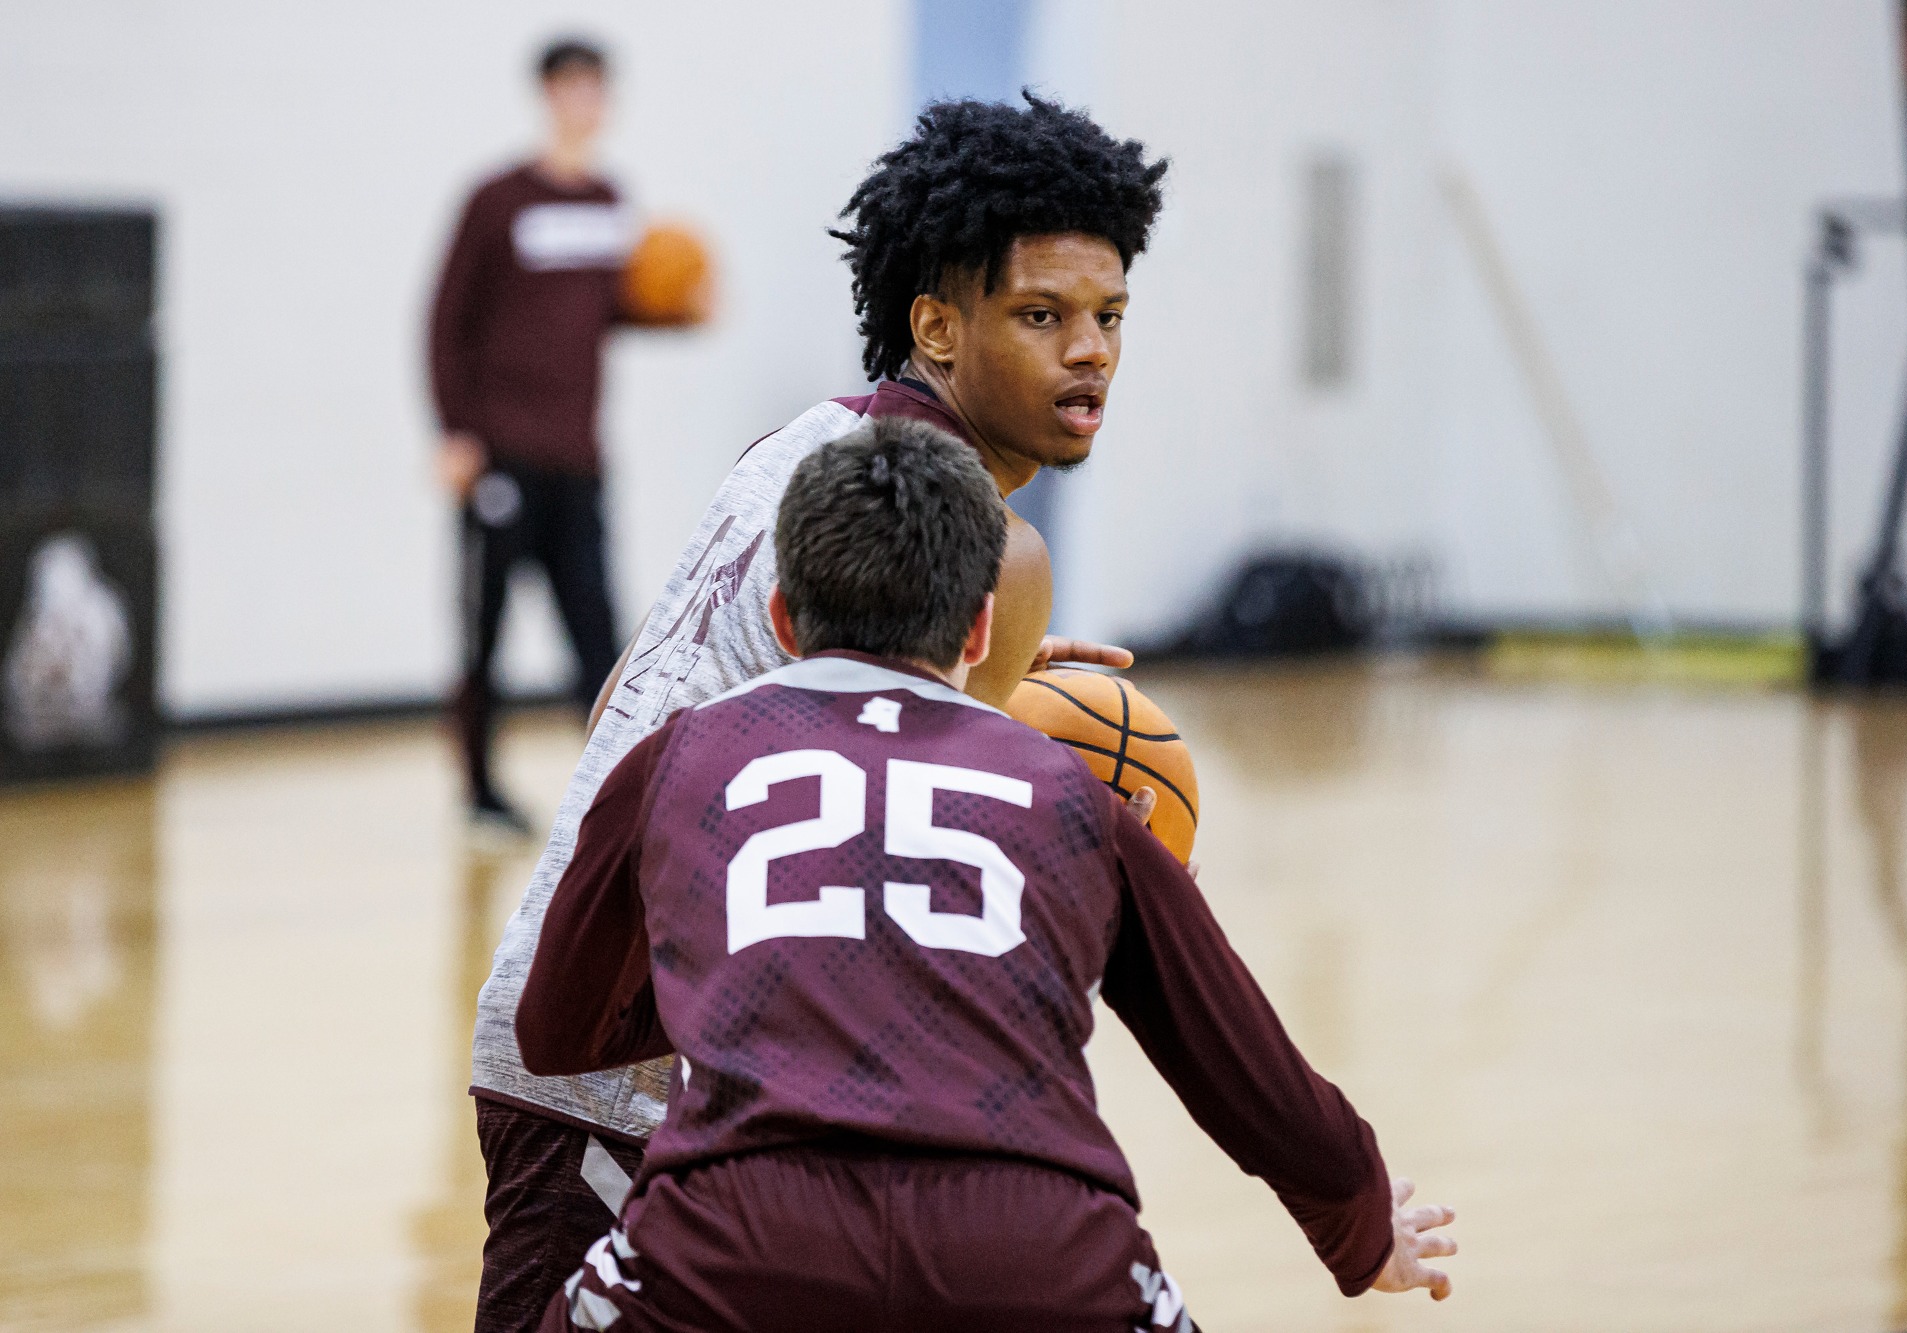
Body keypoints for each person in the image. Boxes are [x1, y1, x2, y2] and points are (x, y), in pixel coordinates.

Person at [467, 95, 1167, 1331]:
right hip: (635, 1075)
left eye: (1108, 317)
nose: (1090, 353)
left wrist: (957, 669)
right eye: (1042, 316)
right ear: (937, 328)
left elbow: (694, 701)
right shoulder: (988, 552)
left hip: (616, 1038)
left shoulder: (806, 452)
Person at [518, 418, 1456, 1330]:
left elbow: (554, 1028)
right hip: (1039, 1245)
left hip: (740, 1237)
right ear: (980, 630)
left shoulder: (676, 756)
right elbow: (1245, 1065)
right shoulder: (1076, 798)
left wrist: (723, 999)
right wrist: (1361, 1223)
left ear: (781, 618)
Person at [429, 38, 691, 834]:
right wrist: (456, 432)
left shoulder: (612, 201)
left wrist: (676, 308)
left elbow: (602, 309)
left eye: (597, 90)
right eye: (572, 88)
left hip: (579, 458)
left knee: (598, 633)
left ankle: (611, 792)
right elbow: (446, 320)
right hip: (502, 452)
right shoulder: (497, 199)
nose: (585, 103)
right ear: (547, 95)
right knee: (484, 630)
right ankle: (478, 793)